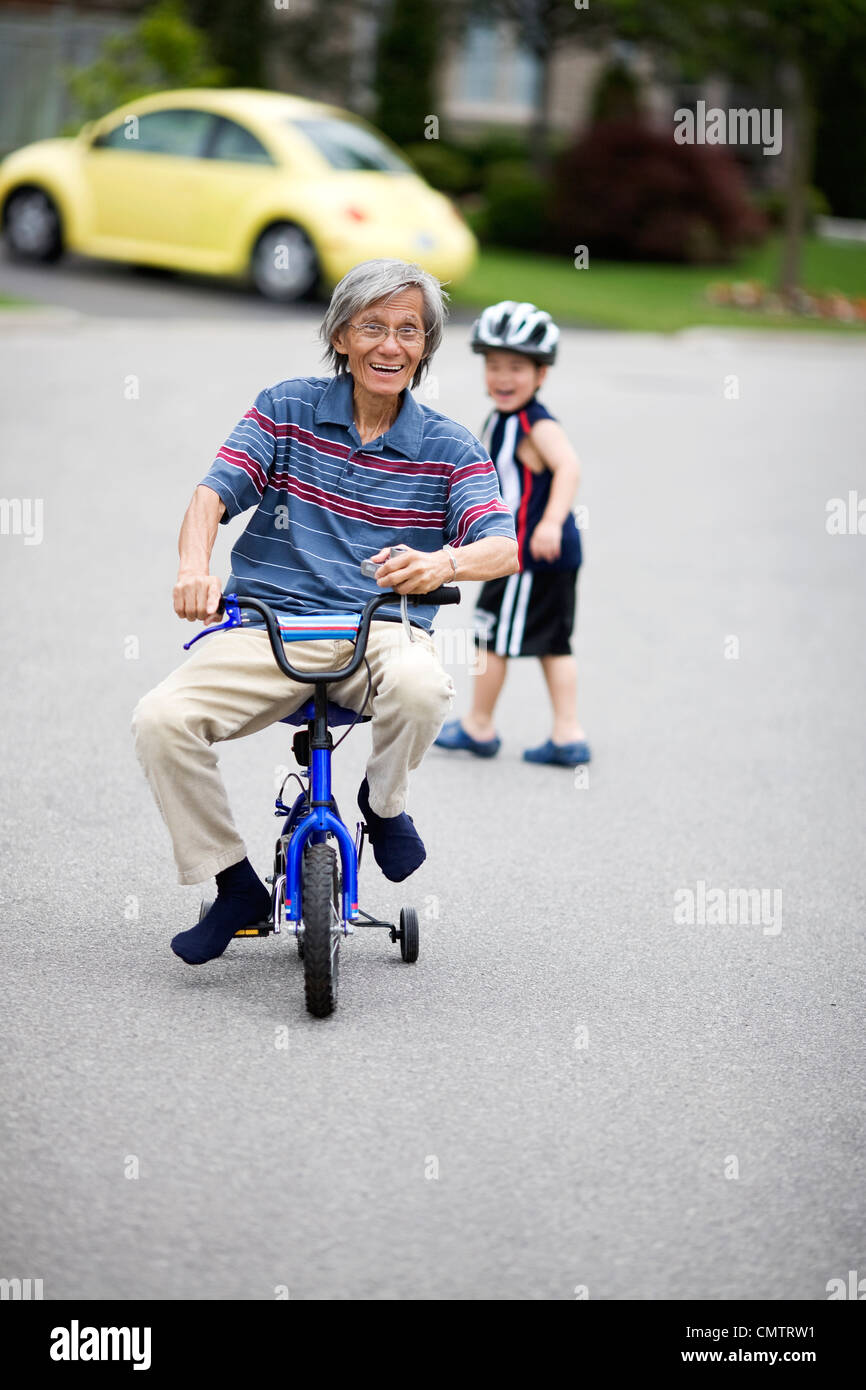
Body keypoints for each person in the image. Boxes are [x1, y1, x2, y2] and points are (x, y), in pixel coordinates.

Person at [131, 260, 518, 965]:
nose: (391, 346)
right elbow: (211, 494)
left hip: (380, 633)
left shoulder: (451, 447)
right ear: (341, 335)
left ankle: (384, 804)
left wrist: (443, 563)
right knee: (161, 721)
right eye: (373, 326)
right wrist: (193, 568)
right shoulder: (286, 407)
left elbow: (502, 544)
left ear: (426, 347)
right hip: (266, 626)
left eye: (410, 330)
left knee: (423, 685)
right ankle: (233, 882)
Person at [435, 300, 590, 767]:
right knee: (552, 641)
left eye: (517, 368)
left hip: (530, 554)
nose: (503, 377)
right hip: (542, 555)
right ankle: (567, 734)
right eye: (494, 365)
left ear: (541, 374)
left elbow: (569, 467)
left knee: (491, 636)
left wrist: (548, 523)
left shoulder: (534, 423)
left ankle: (480, 725)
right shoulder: (504, 420)